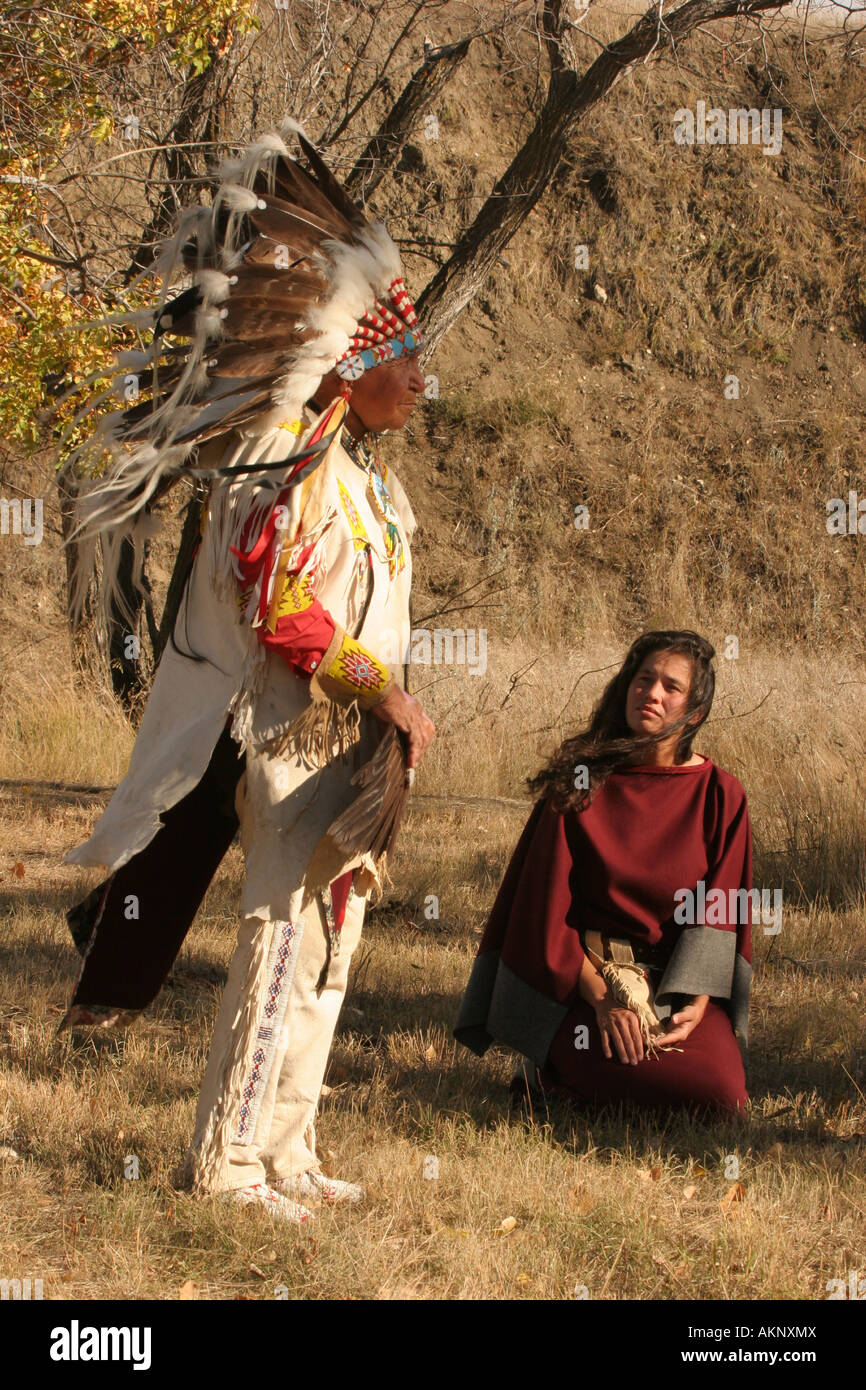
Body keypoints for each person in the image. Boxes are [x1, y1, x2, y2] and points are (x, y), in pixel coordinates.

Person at [60, 123, 435, 1223]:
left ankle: (286, 1143)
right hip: (292, 747)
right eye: (402, 363)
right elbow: (285, 617)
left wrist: (389, 719)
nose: (420, 383)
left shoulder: (369, 489)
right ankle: (224, 1160)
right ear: (353, 367)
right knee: (277, 950)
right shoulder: (284, 478)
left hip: (354, 760)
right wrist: (385, 693)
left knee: (330, 951)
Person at [454, 631, 752, 1114]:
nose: (652, 693)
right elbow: (543, 914)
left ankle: (575, 1072)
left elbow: (719, 911)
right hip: (583, 983)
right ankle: (546, 1066)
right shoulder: (580, 784)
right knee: (634, 1073)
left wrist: (697, 1001)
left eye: (671, 687)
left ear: (695, 713)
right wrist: (603, 1002)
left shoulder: (721, 795)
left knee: (720, 1099)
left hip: (676, 983)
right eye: (643, 679)